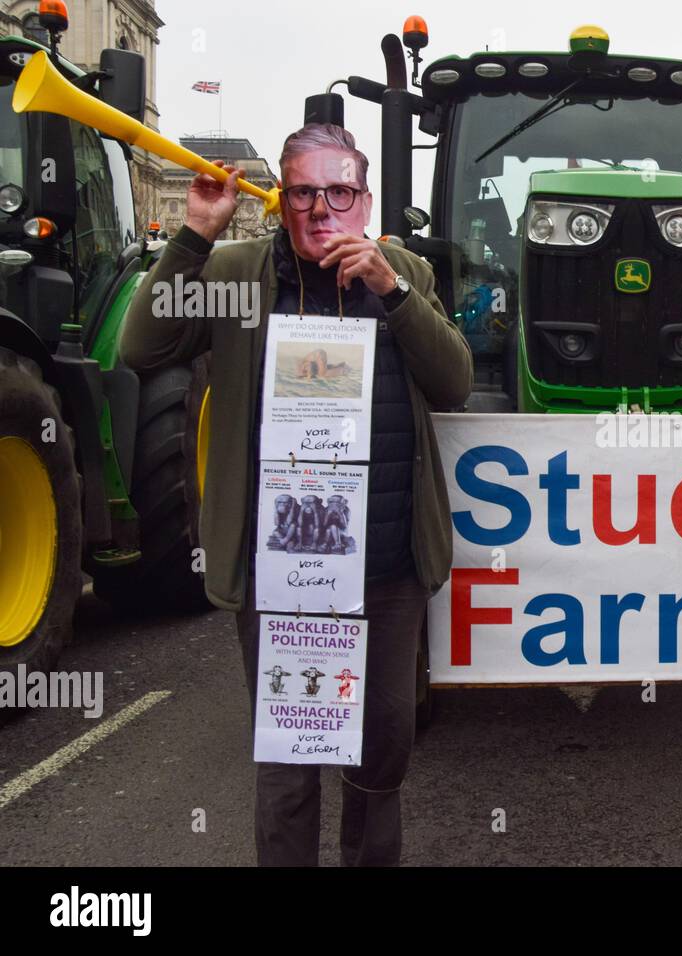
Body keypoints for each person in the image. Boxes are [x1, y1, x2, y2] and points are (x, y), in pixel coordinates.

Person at [120, 123, 473, 866]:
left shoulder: (404, 271)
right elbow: (141, 348)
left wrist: (391, 287)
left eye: (339, 192)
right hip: (285, 578)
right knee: (289, 769)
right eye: (304, 192)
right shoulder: (240, 275)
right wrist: (192, 237)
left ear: (364, 200)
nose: (322, 209)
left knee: (380, 761)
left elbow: (455, 383)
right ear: (281, 201)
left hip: (387, 571)